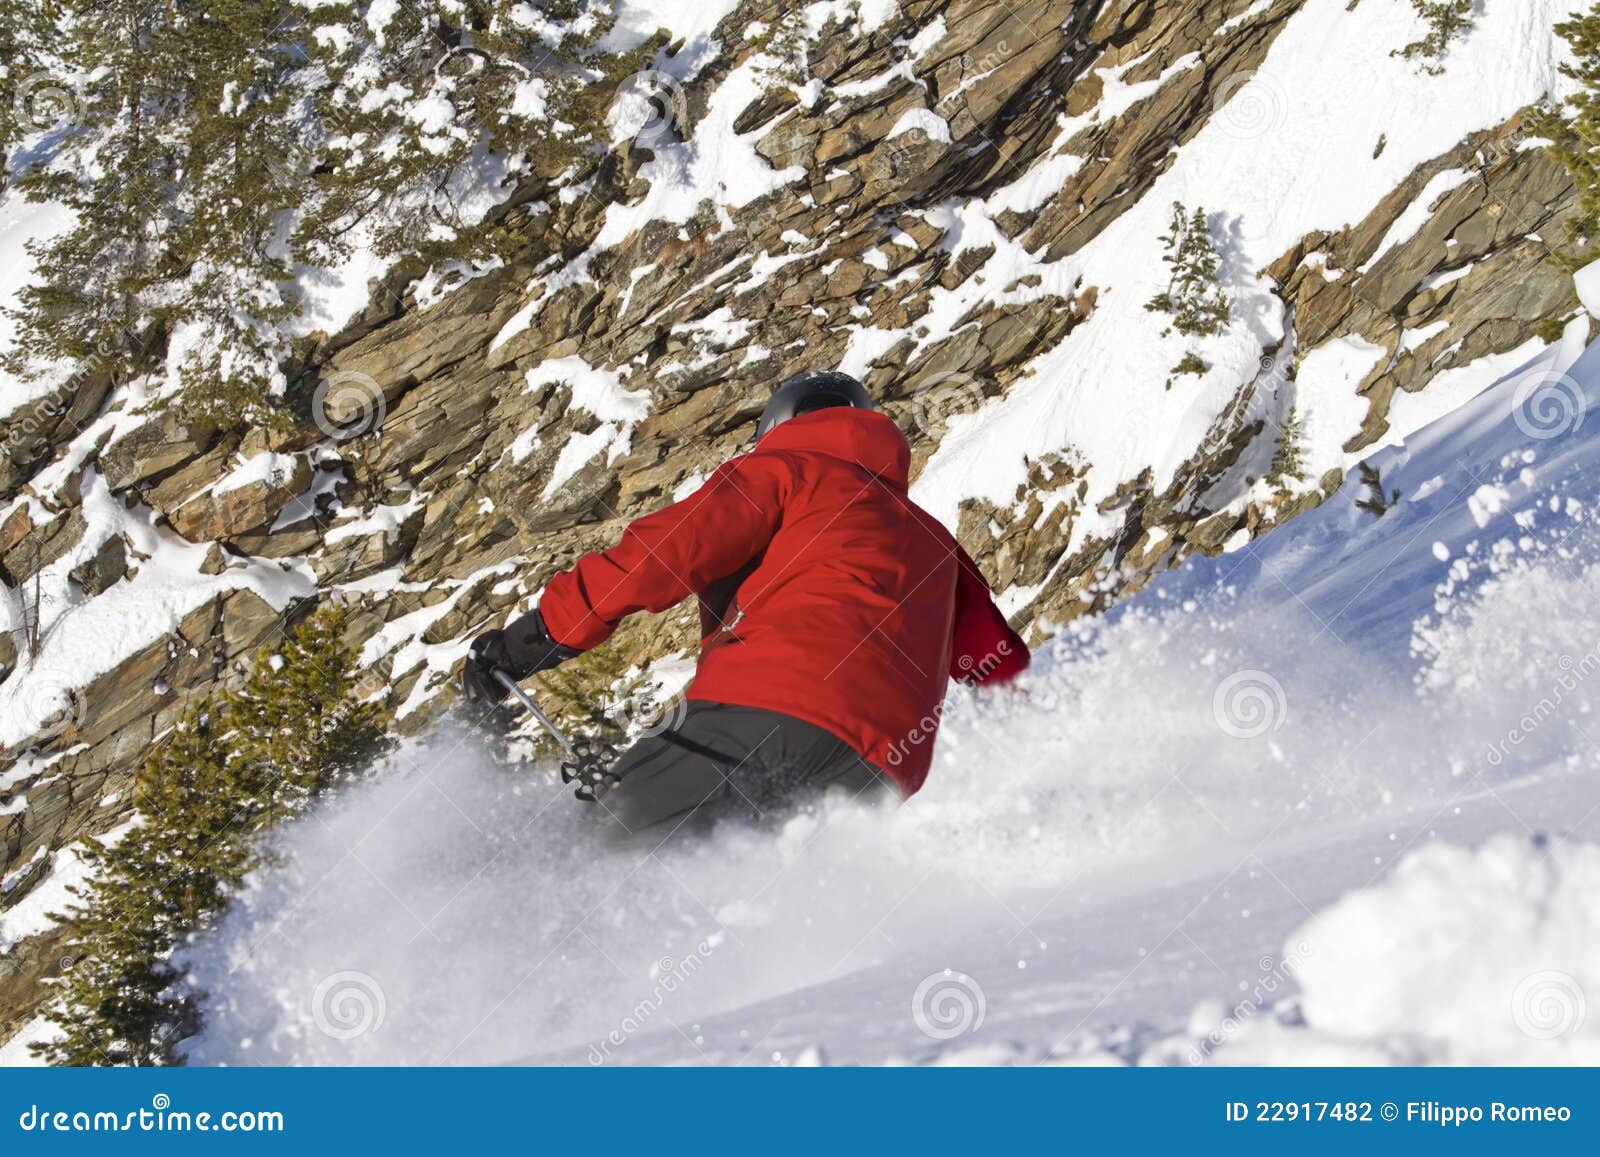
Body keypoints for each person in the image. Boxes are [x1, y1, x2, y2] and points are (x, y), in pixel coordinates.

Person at [462, 370, 1029, 836]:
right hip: (881, 771)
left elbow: (662, 556)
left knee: (587, 859)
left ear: (776, 426)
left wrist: (531, 641)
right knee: (725, 909)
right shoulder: (934, 539)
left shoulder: (787, 469)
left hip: (769, 709)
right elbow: (998, 667)